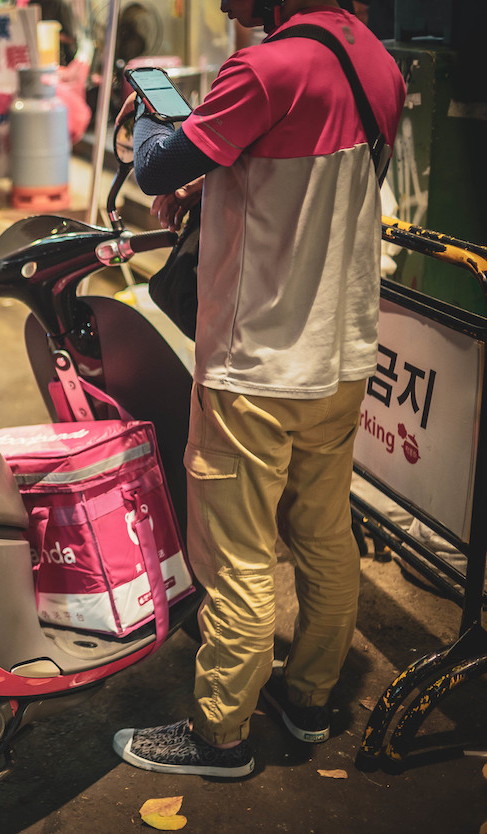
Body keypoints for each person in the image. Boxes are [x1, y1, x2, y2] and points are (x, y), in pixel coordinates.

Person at [111, 0, 404, 777]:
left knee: (237, 561)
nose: (221, 5)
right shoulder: (376, 61)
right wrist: (212, 191)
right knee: (323, 534)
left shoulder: (265, 69)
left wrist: (145, 109)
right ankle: (309, 702)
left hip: (256, 367)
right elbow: (306, 191)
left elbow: (154, 168)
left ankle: (219, 737)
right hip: (341, 358)